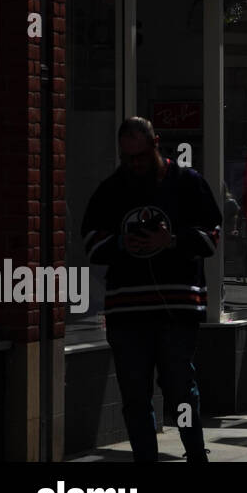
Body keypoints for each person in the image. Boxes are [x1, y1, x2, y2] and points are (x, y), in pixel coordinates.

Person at [80, 117, 222, 463]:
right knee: (134, 394)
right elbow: (90, 242)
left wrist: (170, 240)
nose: (135, 164)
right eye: (128, 158)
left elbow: (212, 236)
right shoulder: (112, 188)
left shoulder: (187, 183)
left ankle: (194, 452)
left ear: (156, 144)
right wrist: (122, 245)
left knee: (180, 388)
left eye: (141, 156)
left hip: (177, 306)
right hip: (126, 311)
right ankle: (146, 458)